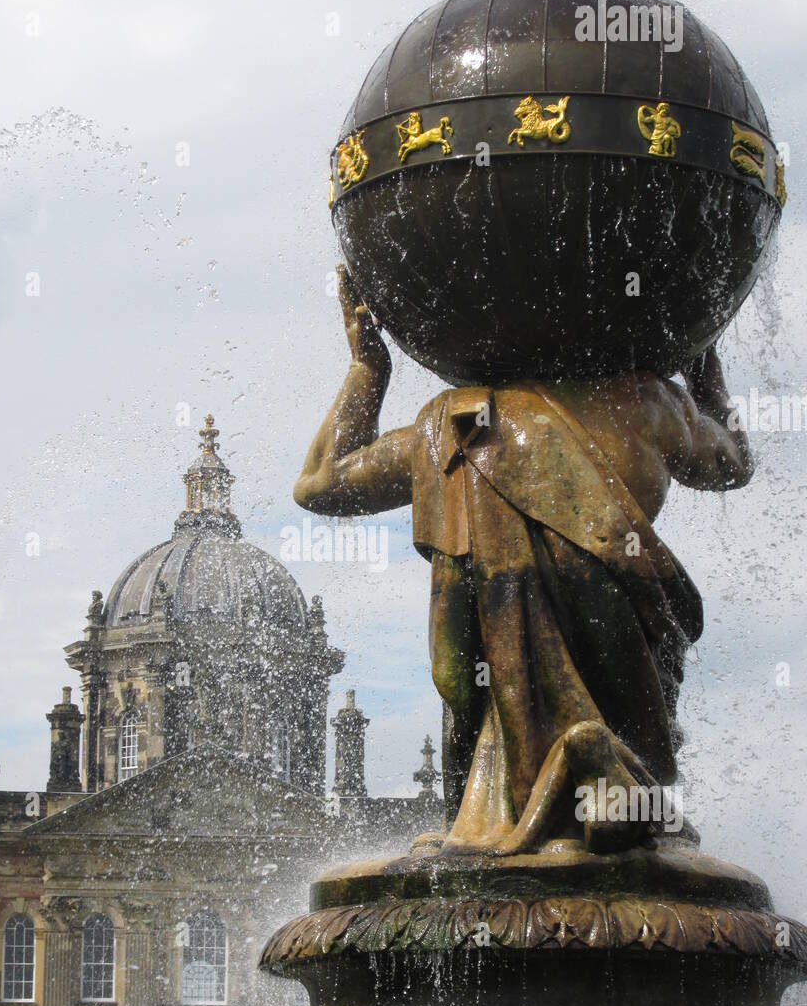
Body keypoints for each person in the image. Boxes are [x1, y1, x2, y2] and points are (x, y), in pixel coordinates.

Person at [295, 267, 753, 856]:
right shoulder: (649, 405)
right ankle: (604, 773)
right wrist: (705, 365)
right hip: (630, 674)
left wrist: (367, 369)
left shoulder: (457, 425)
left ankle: (536, 789)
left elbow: (320, 482)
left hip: (503, 703)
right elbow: (736, 459)